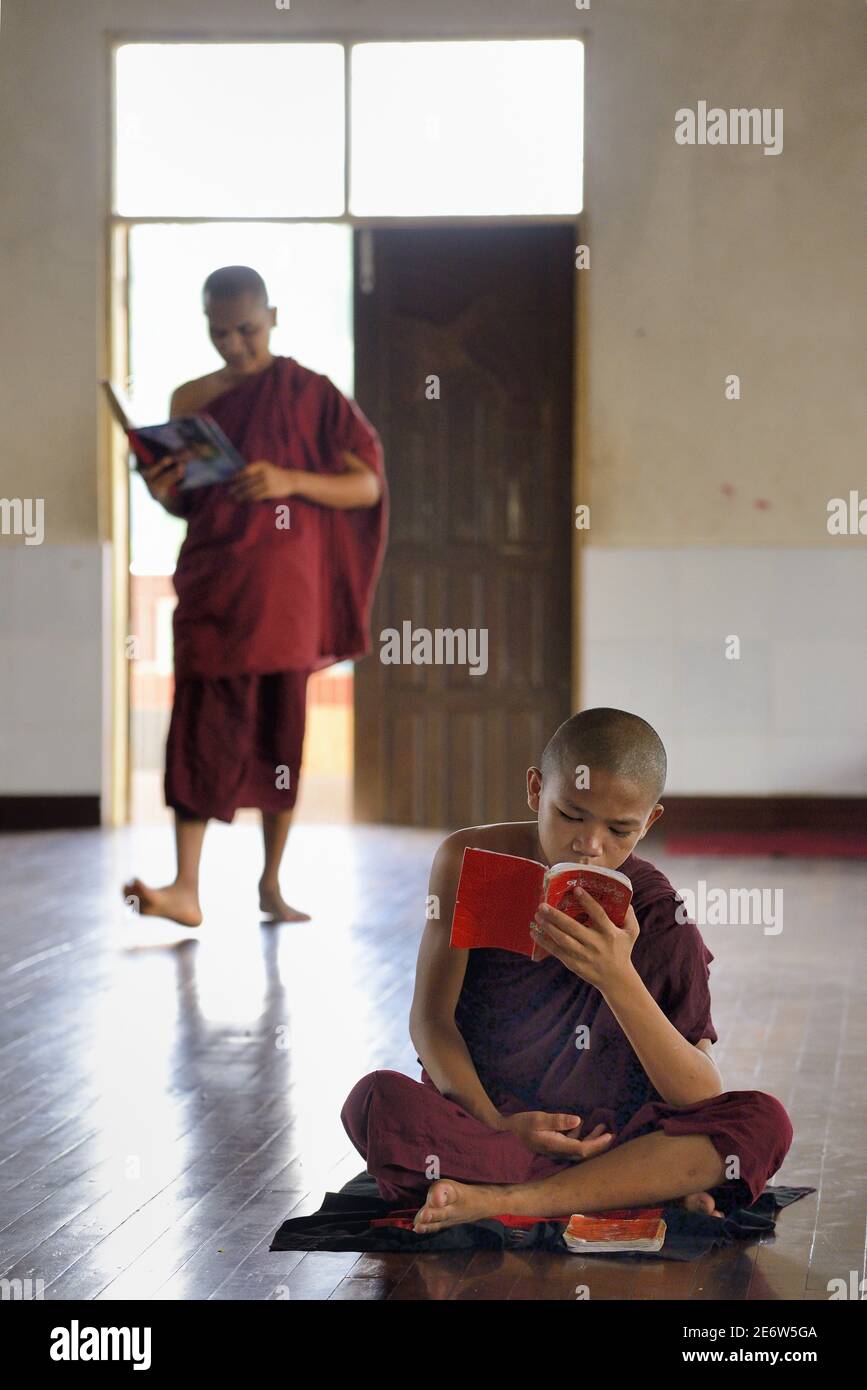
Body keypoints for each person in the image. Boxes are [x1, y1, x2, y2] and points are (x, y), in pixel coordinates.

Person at [341, 707, 793, 1232]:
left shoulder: (657, 912)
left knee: (763, 1124)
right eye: (571, 815)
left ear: (649, 822)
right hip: (490, 1122)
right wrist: (500, 1125)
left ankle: (506, 1200)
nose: (590, 845)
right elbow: (430, 1021)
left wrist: (615, 975)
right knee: (376, 1103)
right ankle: (635, 1192)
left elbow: (699, 1093)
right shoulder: (468, 860)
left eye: (620, 829)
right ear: (536, 789)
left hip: (615, 1136)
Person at [124, 265, 386, 926]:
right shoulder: (191, 397)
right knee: (200, 730)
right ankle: (186, 887)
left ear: (273, 316)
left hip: (284, 595)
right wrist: (162, 489)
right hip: (214, 586)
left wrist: (288, 480)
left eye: (247, 329)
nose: (235, 345)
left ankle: (271, 883)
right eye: (220, 332)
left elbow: (366, 487)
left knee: (279, 730)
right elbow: (188, 501)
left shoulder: (310, 394)